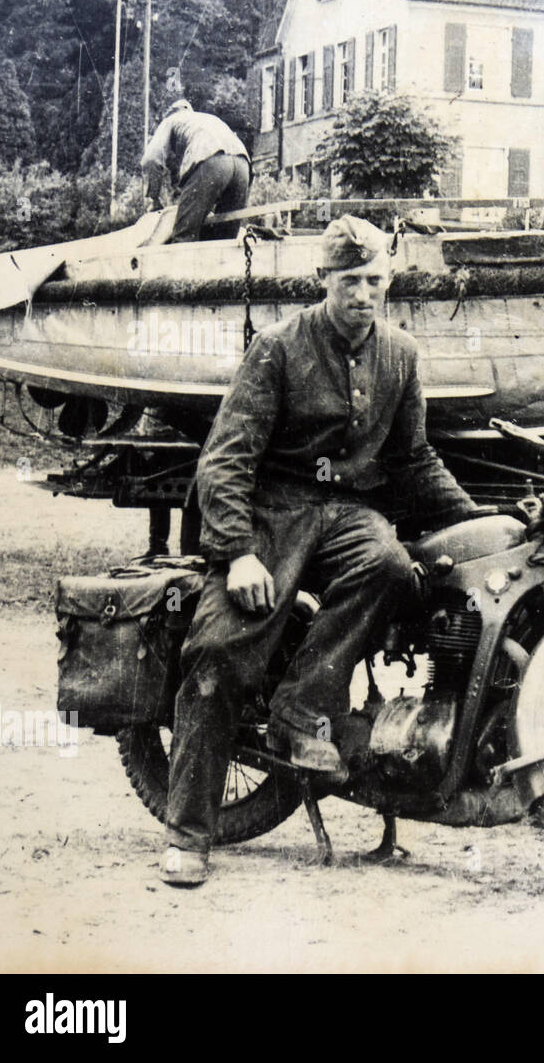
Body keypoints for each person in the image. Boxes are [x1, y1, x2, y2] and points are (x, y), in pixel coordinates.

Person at [160, 216, 478, 887]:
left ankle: (301, 708)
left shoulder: (401, 354)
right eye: (350, 280)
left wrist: (480, 520)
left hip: (348, 516)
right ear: (322, 281)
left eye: (374, 279)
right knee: (219, 651)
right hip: (272, 514)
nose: (364, 293)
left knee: (390, 564)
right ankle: (188, 832)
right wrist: (238, 553)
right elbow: (223, 461)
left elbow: (414, 460)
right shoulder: (278, 348)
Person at [141, 99, 251, 243]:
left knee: (183, 236)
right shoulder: (207, 119)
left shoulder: (170, 121)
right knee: (224, 239)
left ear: (170, 113)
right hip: (243, 164)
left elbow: (151, 159)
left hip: (211, 159)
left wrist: (153, 198)